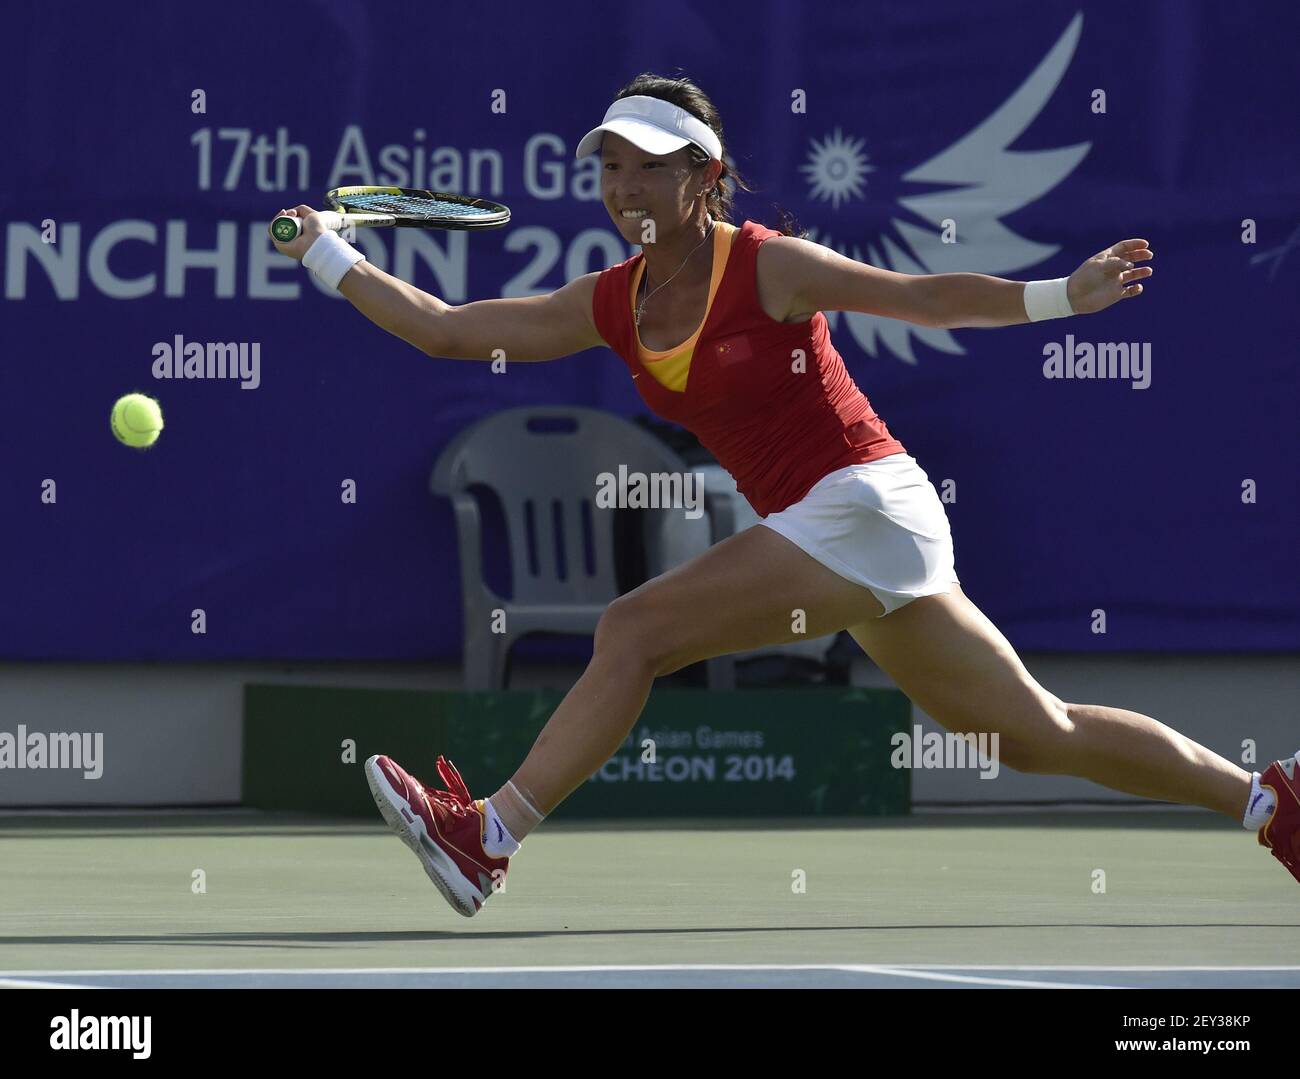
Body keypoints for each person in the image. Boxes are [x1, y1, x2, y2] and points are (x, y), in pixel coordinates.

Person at [271, 73, 1298, 918]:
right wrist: (327, 251)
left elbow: (922, 296)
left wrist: (1058, 297)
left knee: (634, 628)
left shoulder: (767, 267)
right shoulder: (611, 302)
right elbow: (449, 330)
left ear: (704, 176)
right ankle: (1269, 802)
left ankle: (486, 835)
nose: (623, 185)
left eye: (647, 166)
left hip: (863, 500)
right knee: (1035, 734)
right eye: (609, 165)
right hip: (838, 530)